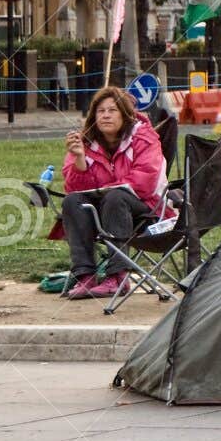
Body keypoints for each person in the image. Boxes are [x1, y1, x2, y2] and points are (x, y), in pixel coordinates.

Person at [61, 86, 169, 300]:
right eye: (101, 111)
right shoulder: (84, 143)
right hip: (103, 208)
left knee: (115, 197)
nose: (106, 115)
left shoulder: (144, 138)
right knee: (73, 201)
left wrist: (108, 189)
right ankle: (85, 276)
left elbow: (145, 182)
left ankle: (118, 276)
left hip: (146, 208)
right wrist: (80, 160)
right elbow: (73, 188)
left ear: (125, 114)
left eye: (112, 110)